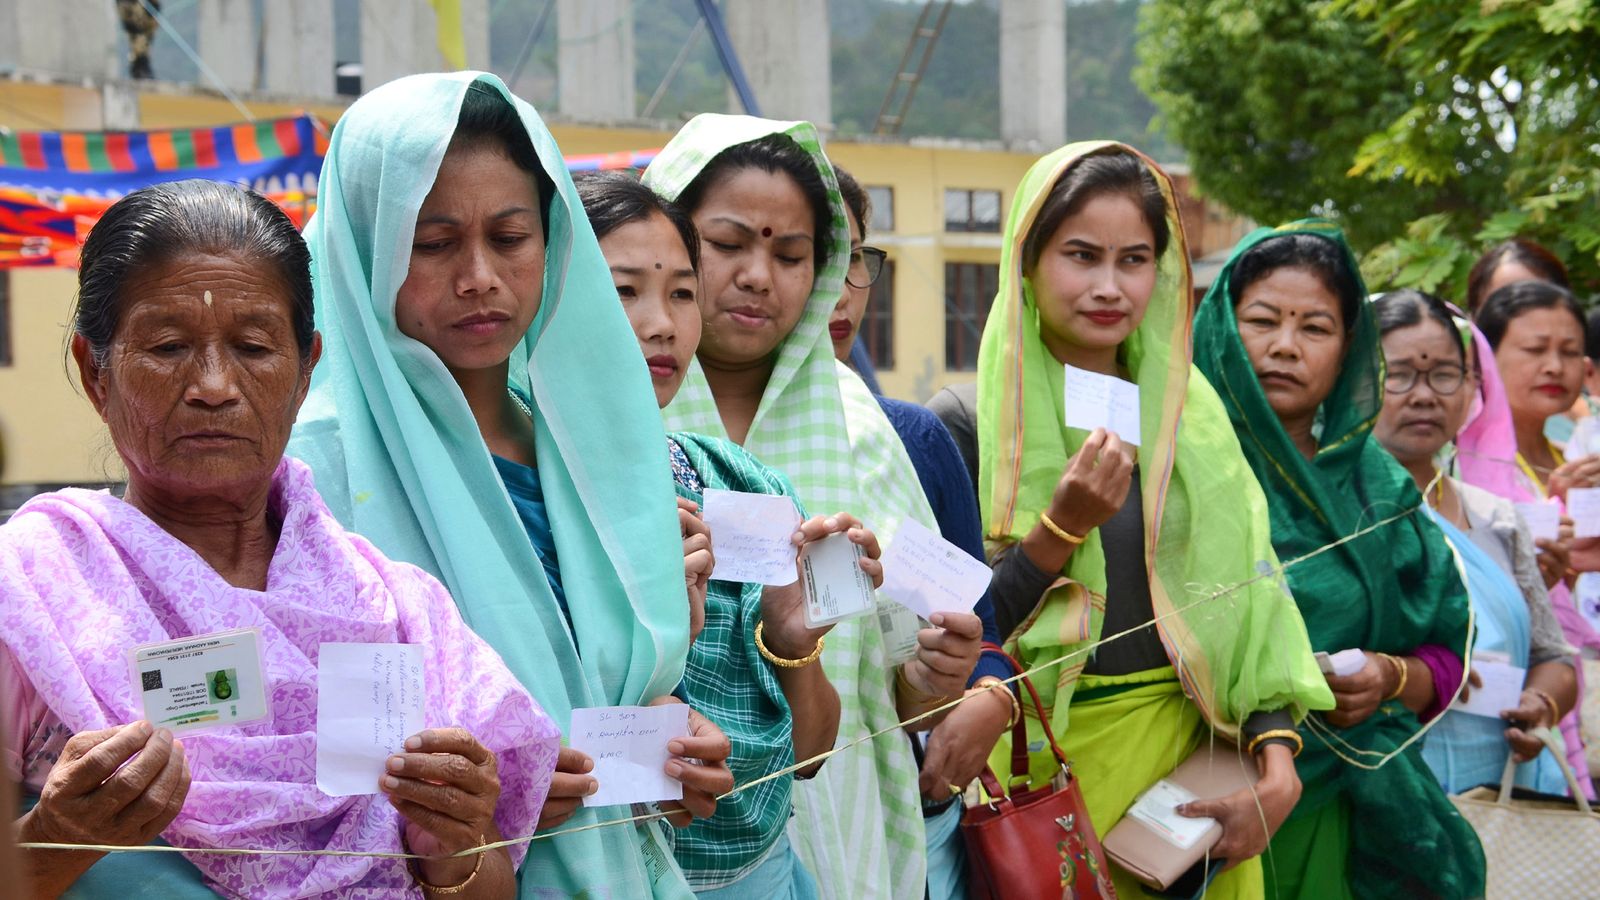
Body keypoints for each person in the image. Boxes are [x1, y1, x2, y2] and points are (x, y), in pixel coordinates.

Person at [2, 179, 558, 898]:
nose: (213, 385)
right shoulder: (31, 593)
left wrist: (453, 845)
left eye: (255, 348)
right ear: (94, 371)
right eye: (169, 346)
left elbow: (488, 887)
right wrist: (58, 841)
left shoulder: (396, 611)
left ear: (304, 372)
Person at [286, 73, 732, 897]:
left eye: (511, 236)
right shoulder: (311, 472)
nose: (480, 275)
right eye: (432, 242)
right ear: (362, 248)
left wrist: (666, 740)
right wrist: (468, 806)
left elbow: (598, 701)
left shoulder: (590, 454)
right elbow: (306, 754)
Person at [930, 144, 1330, 898]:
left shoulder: (1190, 417)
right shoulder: (966, 424)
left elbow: (1248, 600)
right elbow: (960, 632)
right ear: (1027, 261)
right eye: (1081, 256)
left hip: (1193, 788)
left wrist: (1278, 767)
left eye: (1135, 259)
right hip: (1041, 779)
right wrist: (1062, 526)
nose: (1109, 287)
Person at [642, 115, 985, 900]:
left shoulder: (865, 431)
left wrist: (939, 673)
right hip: (654, 830)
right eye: (728, 244)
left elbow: (904, 689)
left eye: (790, 254)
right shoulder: (598, 420)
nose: (760, 275)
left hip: (844, 827)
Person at [577, 170, 878, 898]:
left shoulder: (743, 485)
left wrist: (794, 638)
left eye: (681, 291)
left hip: (758, 876)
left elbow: (808, 753)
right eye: (624, 291)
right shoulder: (513, 497)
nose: (662, 324)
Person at [1192, 219, 1483, 899]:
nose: (1285, 347)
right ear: (1221, 328)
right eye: (1262, 320)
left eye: (1315, 328)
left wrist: (1388, 675)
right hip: (1199, 800)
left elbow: (1444, 653)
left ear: (1349, 349)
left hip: (1356, 808)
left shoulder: (1379, 489)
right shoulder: (1170, 473)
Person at [825, 166, 1015, 900]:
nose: (838, 289)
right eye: (808, 255)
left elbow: (979, 626)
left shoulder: (912, 437)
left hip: (915, 816)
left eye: (856, 259)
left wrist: (987, 694)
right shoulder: (678, 439)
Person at [1371, 289, 1578, 794]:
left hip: (1509, 796)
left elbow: (1554, 658)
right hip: (1391, 794)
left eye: (1445, 374)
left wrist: (1540, 705)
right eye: (1397, 374)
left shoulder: (1497, 518)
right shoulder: (1336, 520)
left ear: (1470, 389)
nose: (1424, 395)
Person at [1462, 278, 1600, 794]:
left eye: (1569, 352)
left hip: (1569, 690)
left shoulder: (1575, 458)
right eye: (1534, 349)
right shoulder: (1465, 465)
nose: (1554, 366)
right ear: (1487, 357)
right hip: (1498, 698)